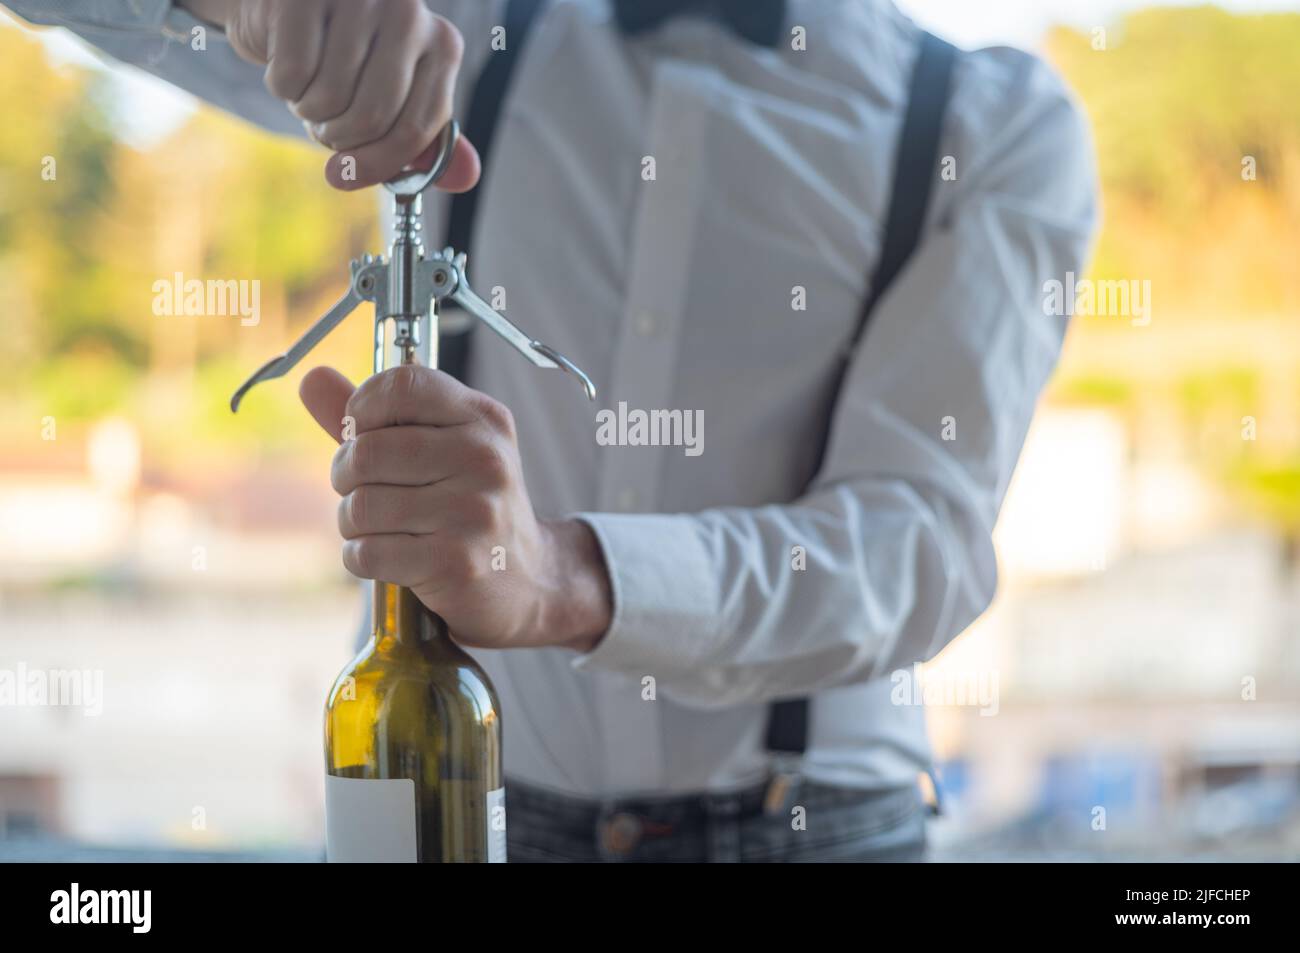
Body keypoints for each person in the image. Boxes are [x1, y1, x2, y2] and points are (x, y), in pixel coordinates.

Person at [5, 0, 1098, 862]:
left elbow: (913, 542)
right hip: (459, 809)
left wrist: (566, 577)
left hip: (813, 830)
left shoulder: (989, 125)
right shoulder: (462, 27)